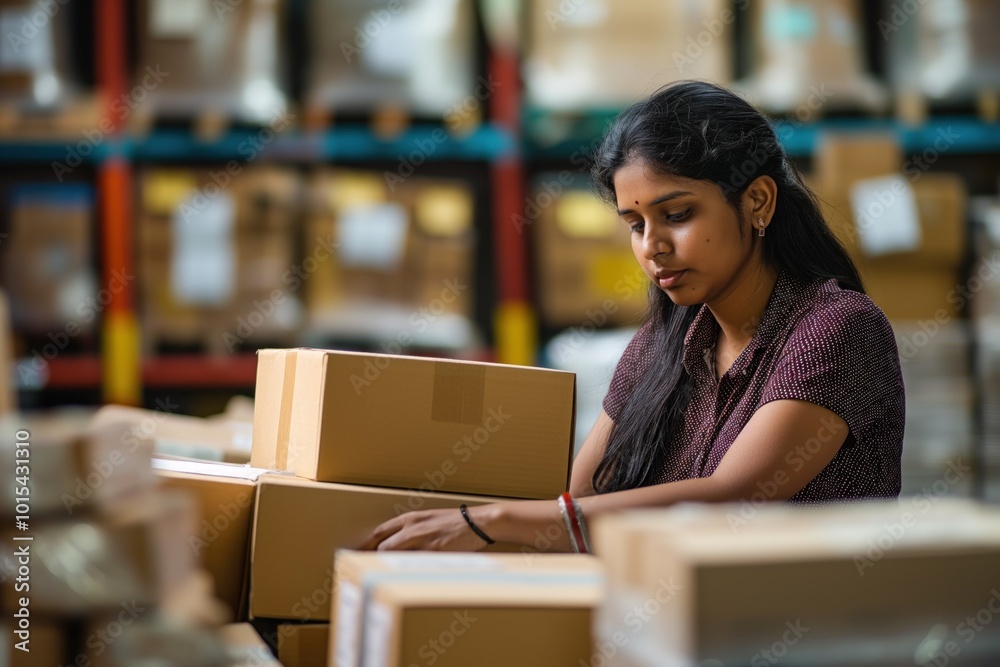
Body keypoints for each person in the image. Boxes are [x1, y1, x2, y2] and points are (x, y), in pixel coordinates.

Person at [361, 81, 905, 554]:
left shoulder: (838, 330)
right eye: (635, 224)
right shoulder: (663, 343)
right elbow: (586, 499)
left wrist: (495, 520)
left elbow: (735, 498)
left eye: (677, 215)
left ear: (758, 201)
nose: (653, 247)